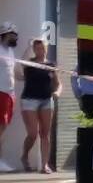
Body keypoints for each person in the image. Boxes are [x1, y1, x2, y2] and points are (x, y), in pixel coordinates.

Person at [17, 39, 61, 174]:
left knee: (45, 133)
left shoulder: (50, 65)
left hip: (46, 100)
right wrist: (28, 46)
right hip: (29, 100)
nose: (39, 50)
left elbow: (58, 83)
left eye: (42, 48)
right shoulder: (29, 63)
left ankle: (44, 165)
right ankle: (24, 156)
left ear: (46, 49)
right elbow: (19, 66)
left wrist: (57, 92)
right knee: (32, 133)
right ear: (34, 49)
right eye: (36, 48)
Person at [0, 23, 16, 173]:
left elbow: (13, 71)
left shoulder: (10, 51)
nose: (15, 37)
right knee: (1, 127)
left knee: (3, 127)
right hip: (1, 92)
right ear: (4, 34)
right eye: (12, 34)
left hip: (10, 94)